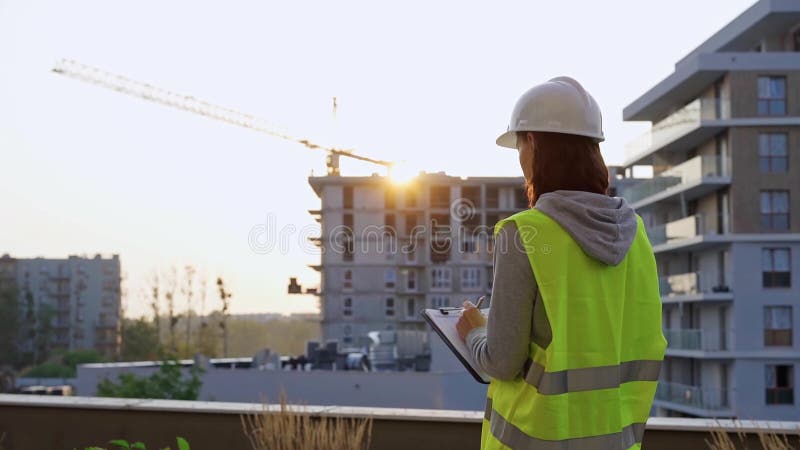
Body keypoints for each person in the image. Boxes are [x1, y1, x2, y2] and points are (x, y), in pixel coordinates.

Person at [456, 77, 666, 450]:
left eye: (519, 145)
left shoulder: (524, 234)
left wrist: (473, 331)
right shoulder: (637, 235)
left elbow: (502, 362)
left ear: (532, 142)